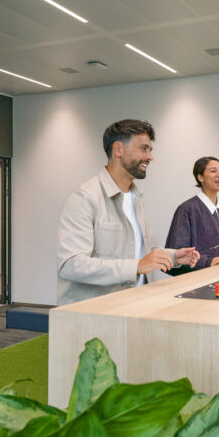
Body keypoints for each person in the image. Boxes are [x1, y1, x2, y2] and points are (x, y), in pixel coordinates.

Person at [56, 119, 200, 305]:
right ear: (118, 150)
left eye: (150, 150)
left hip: (134, 306)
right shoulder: (84, 198)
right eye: (143, 148)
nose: (150, 157)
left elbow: (135, 251)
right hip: (95, 314)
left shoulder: (135, 198)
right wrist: (137, 266)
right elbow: (71, 265)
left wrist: (172, 256)